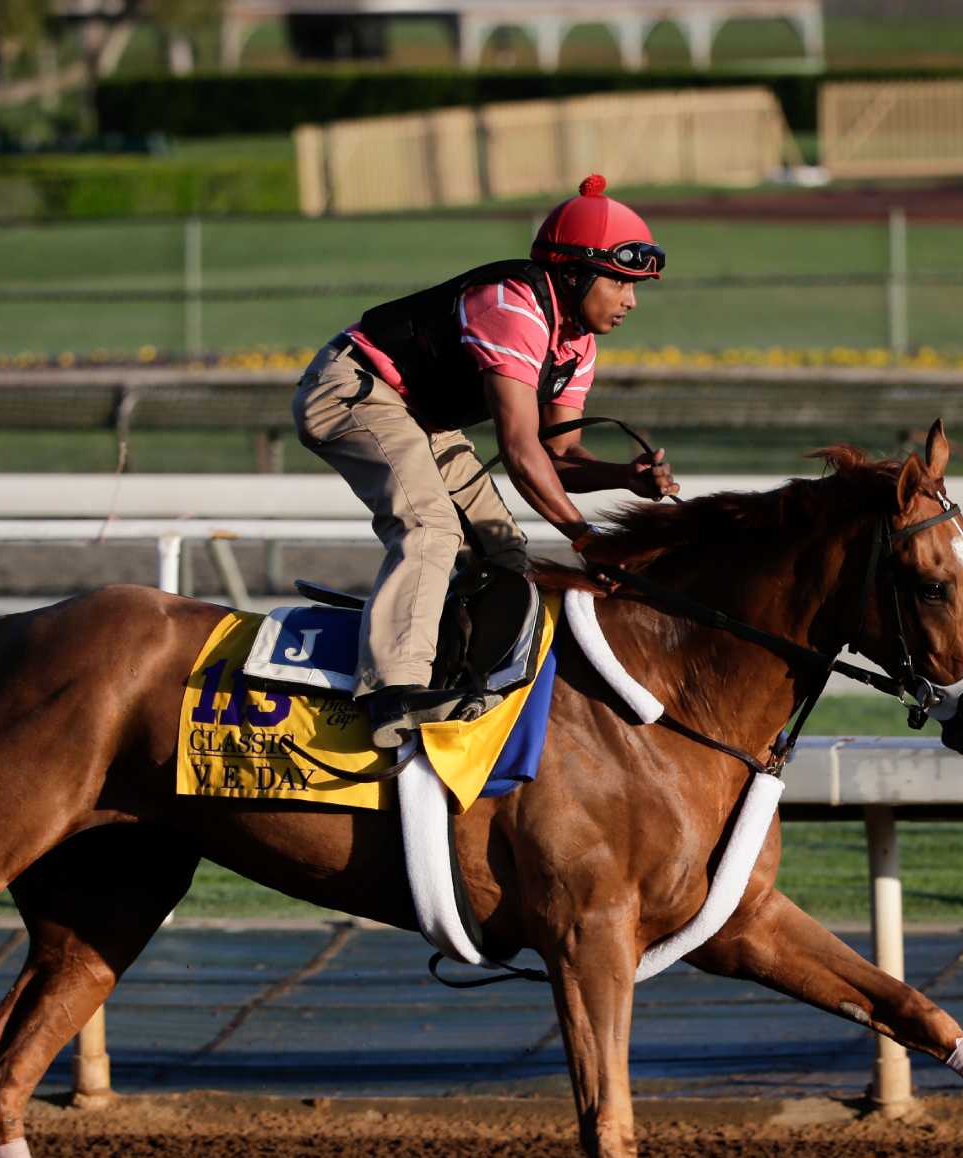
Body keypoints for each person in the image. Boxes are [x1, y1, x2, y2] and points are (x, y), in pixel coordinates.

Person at [292, 174, 681, 748]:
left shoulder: (576, 344)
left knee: (505, 553)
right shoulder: (513, 308)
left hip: (419, 415)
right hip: (353, 388)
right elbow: (522, 456)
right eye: (621, 283)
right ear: (573, 274)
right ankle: (392, 693)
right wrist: (584, 537)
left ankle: (465, 678)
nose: (631, 301)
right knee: (430, 527)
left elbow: (559, 454)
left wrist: (623, 476)